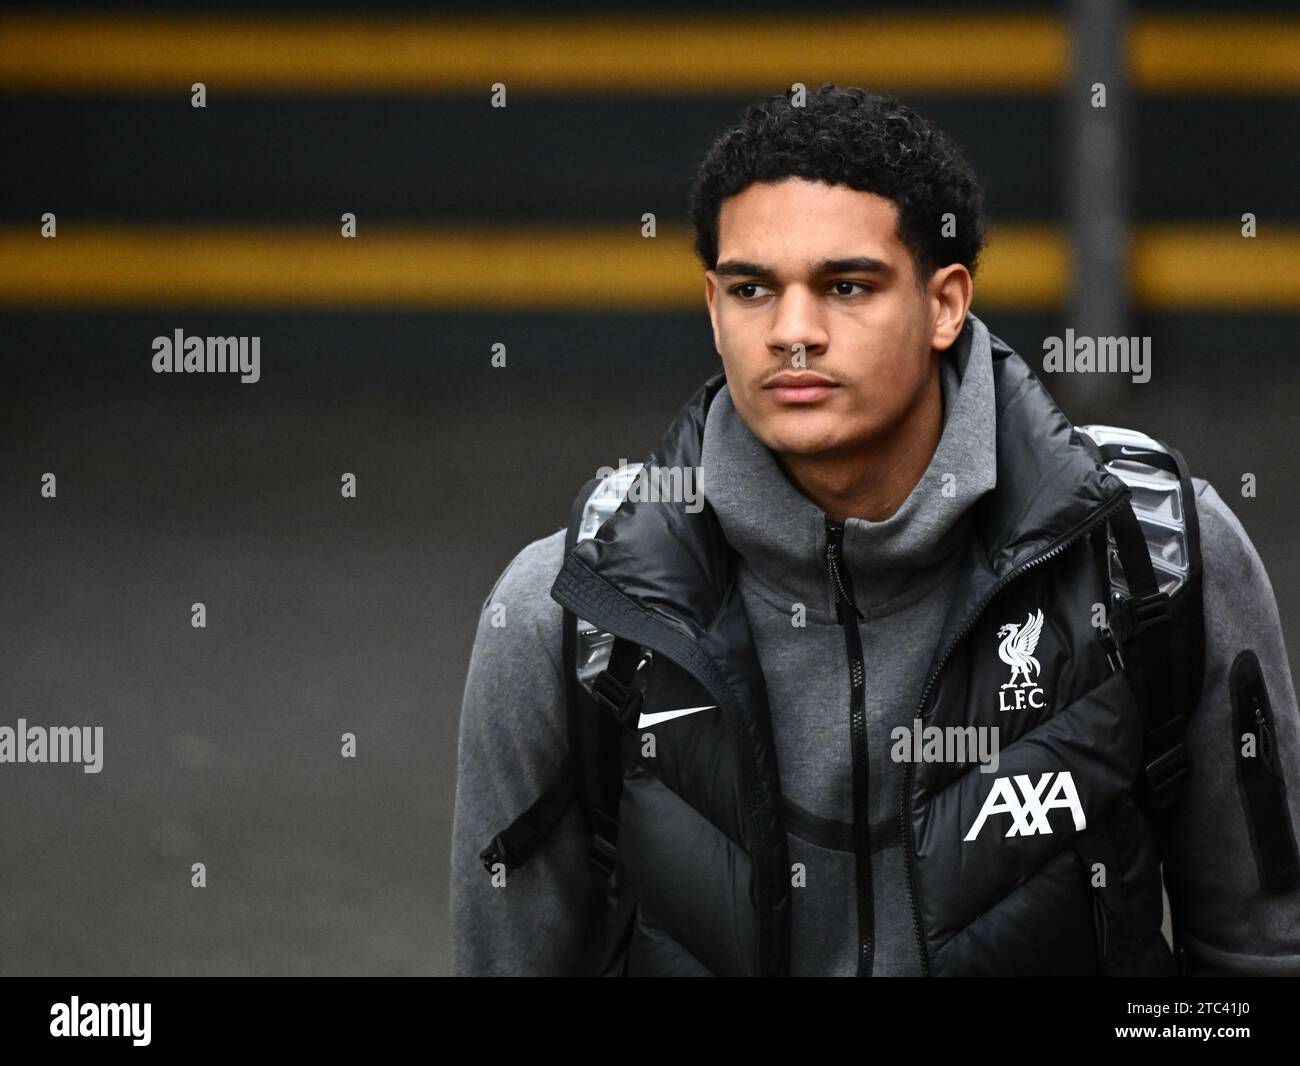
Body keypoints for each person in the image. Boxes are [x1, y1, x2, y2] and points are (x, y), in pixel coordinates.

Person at [449, 84, 1300, 976]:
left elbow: (1259, 960)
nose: (794, 333)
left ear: (945, 304)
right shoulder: (572, 611)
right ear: (713, 308)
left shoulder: (1151, 553)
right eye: (752, 289)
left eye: (846, 286)